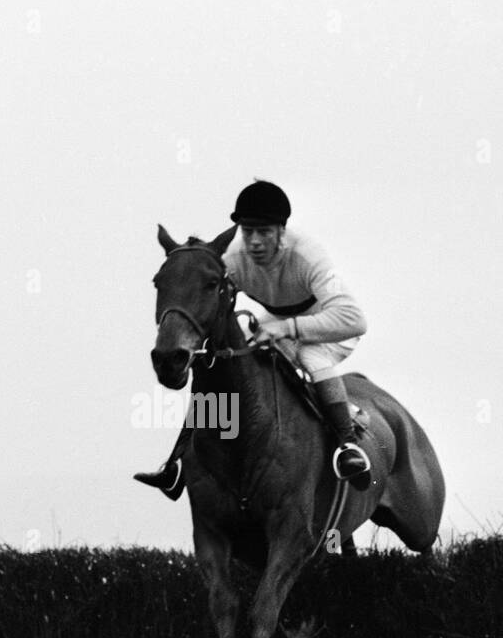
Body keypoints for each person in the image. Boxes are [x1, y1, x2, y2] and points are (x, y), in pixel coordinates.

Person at [136, 180, 371, 499]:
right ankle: (179, 459)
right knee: (225, 357)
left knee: (311, 358)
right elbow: (207, 290)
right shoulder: (234, 258)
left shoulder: (308, 255)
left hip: (328, 324)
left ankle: (348, 445)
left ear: (282, 230)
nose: (255, 242)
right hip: (276, 319)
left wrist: (289, 329)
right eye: (248, 232)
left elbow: (355, 320)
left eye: (264, 232)